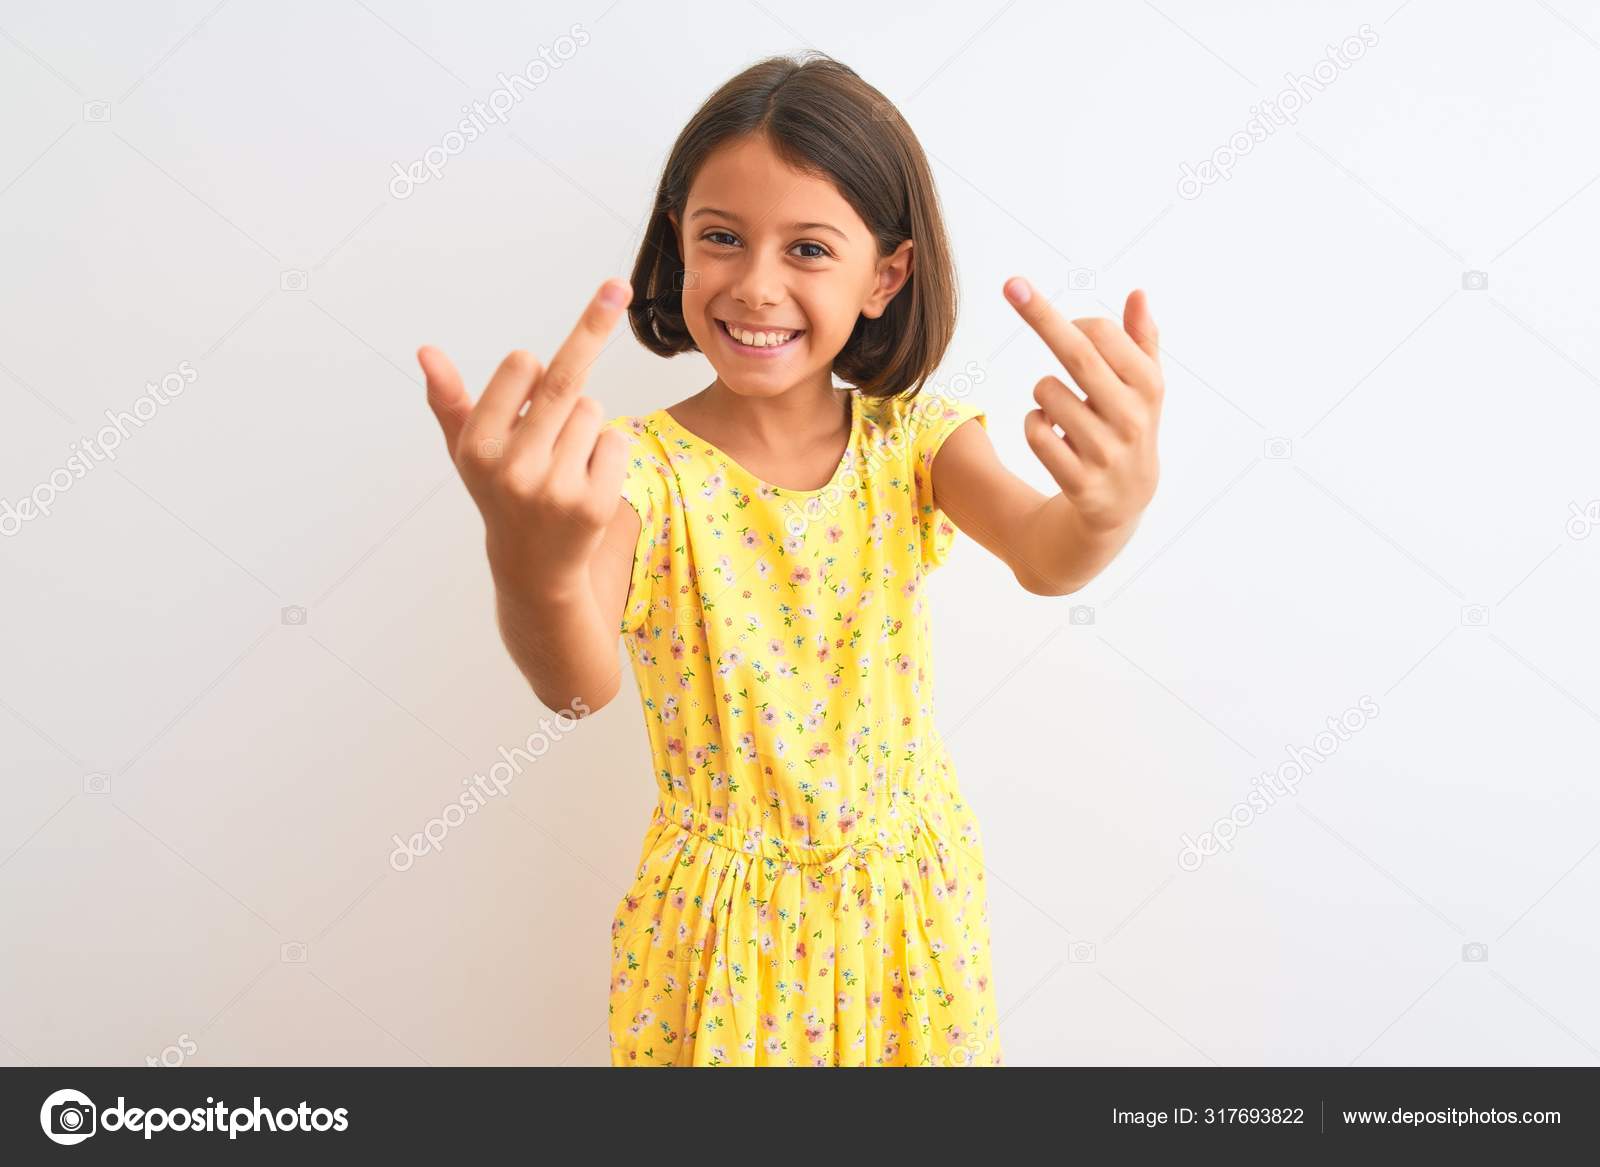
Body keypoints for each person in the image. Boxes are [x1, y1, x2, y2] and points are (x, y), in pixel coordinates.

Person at [417, 53, 1165, 1067]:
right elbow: (576, 688)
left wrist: (1111, 506)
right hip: (723, 935)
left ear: (884, 276)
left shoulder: (914, 441)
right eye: (719, 238)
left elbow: (1046, 552)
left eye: (807, 248)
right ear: (676, 248)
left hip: (905, 906)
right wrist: (531, 563)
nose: (754, 285)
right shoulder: (640, 473)